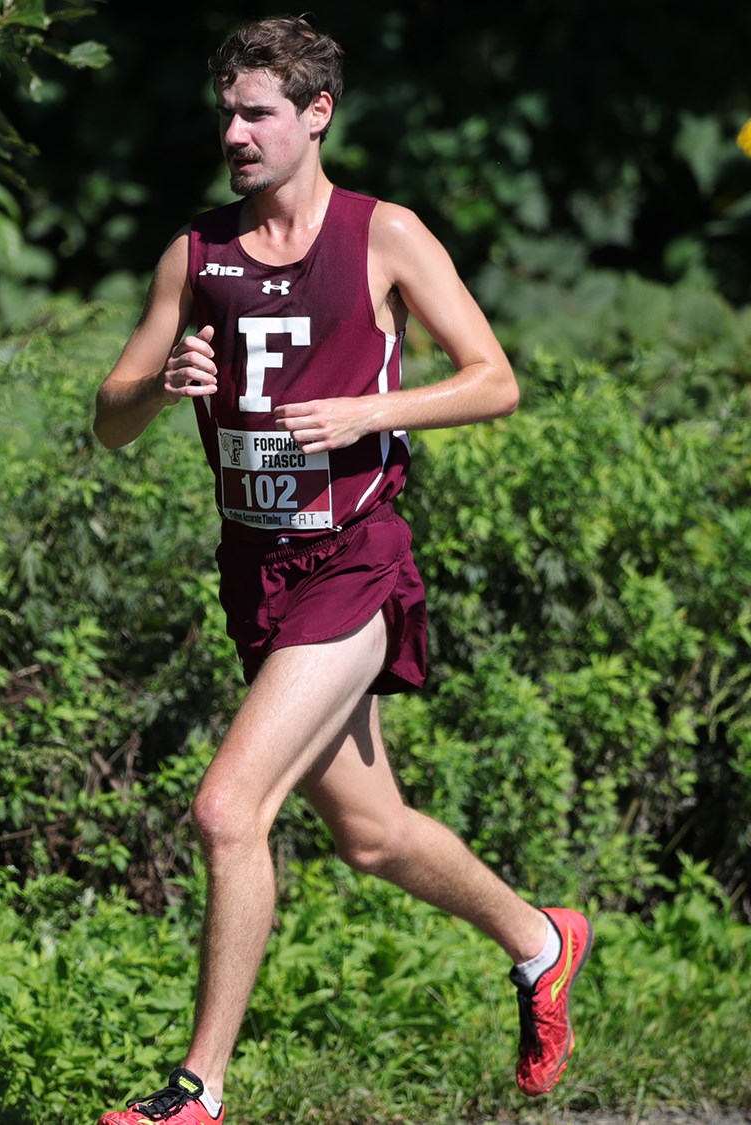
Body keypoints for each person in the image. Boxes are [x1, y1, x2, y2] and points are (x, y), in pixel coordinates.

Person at [90, 16, 590, 1125]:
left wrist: (372, 408)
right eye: (226, 111)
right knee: (370, 834)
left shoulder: (383, 236)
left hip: (354, 564)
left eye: (257, 112)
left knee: (226, 811)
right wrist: (159, 387)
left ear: (316, 116)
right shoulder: (196, 254)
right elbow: (107, 422)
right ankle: (539, 939)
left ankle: (194, 1095)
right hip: (256, 577)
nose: (235, 132)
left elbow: (492, 379)